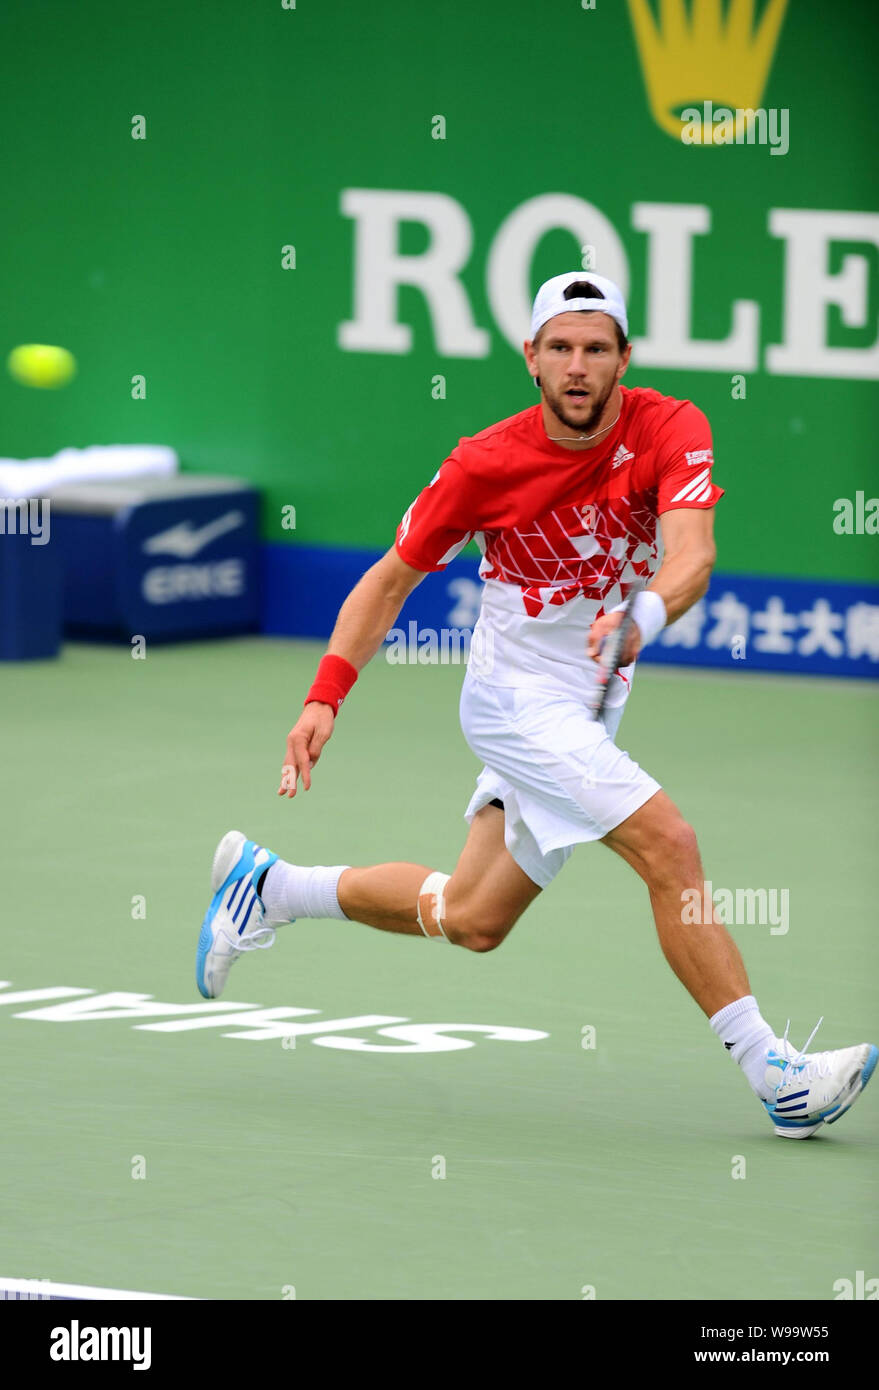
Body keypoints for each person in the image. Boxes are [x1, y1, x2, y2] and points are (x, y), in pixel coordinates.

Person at [195, 270, 876, 1139]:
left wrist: (646, 612)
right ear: (531, 358)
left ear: (624, 357)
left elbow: (691, 554)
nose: (578, 366)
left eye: (596, 348)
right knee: (670, 845)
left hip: (592, 698)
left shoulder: (670, 427)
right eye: (560, 347)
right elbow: (390, 579)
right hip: (514, 701)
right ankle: (774, 1073)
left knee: (474, 918)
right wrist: (325, 694)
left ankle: (272, 888)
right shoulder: (482, 463)